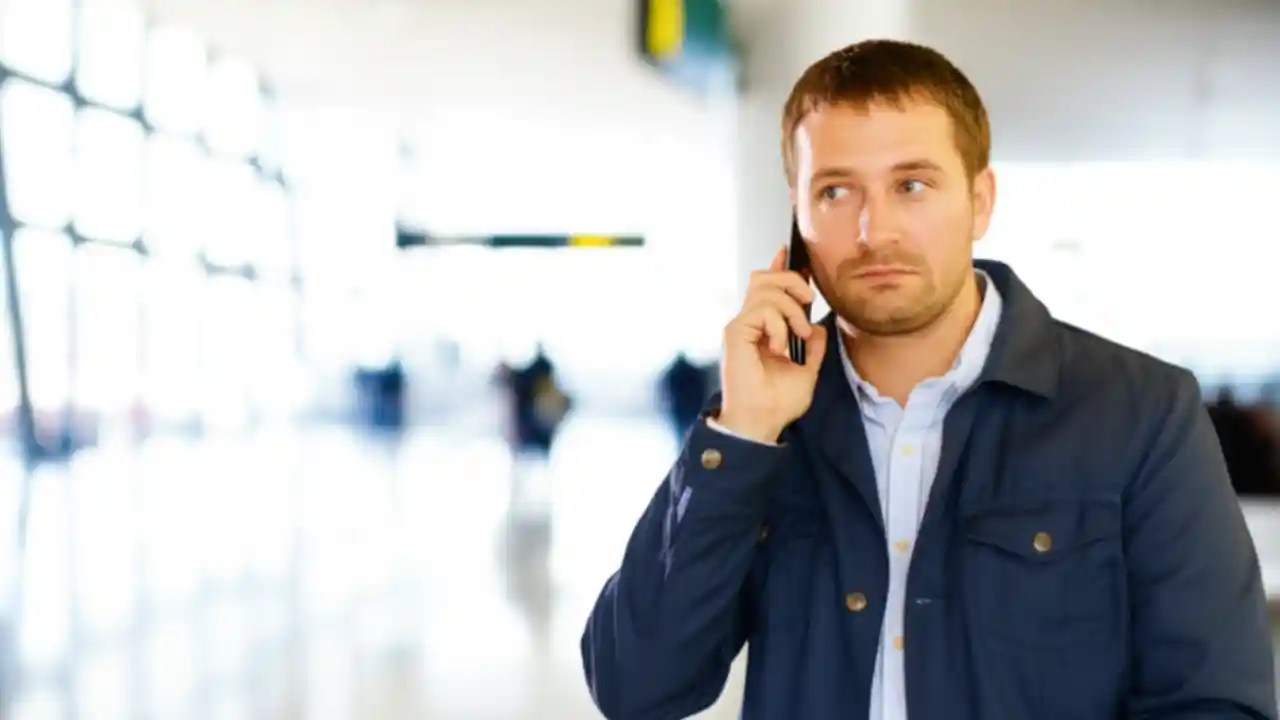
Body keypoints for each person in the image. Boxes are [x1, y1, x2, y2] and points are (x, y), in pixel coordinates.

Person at [580, 39, 1276, 719]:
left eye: (911, 185)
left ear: (980, 200)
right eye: (835, 191)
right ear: (796, 214)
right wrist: (744, 436)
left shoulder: (1141, 412)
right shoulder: (759, 422)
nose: (873, 230)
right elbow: (636, 689)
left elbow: (1215, 698)